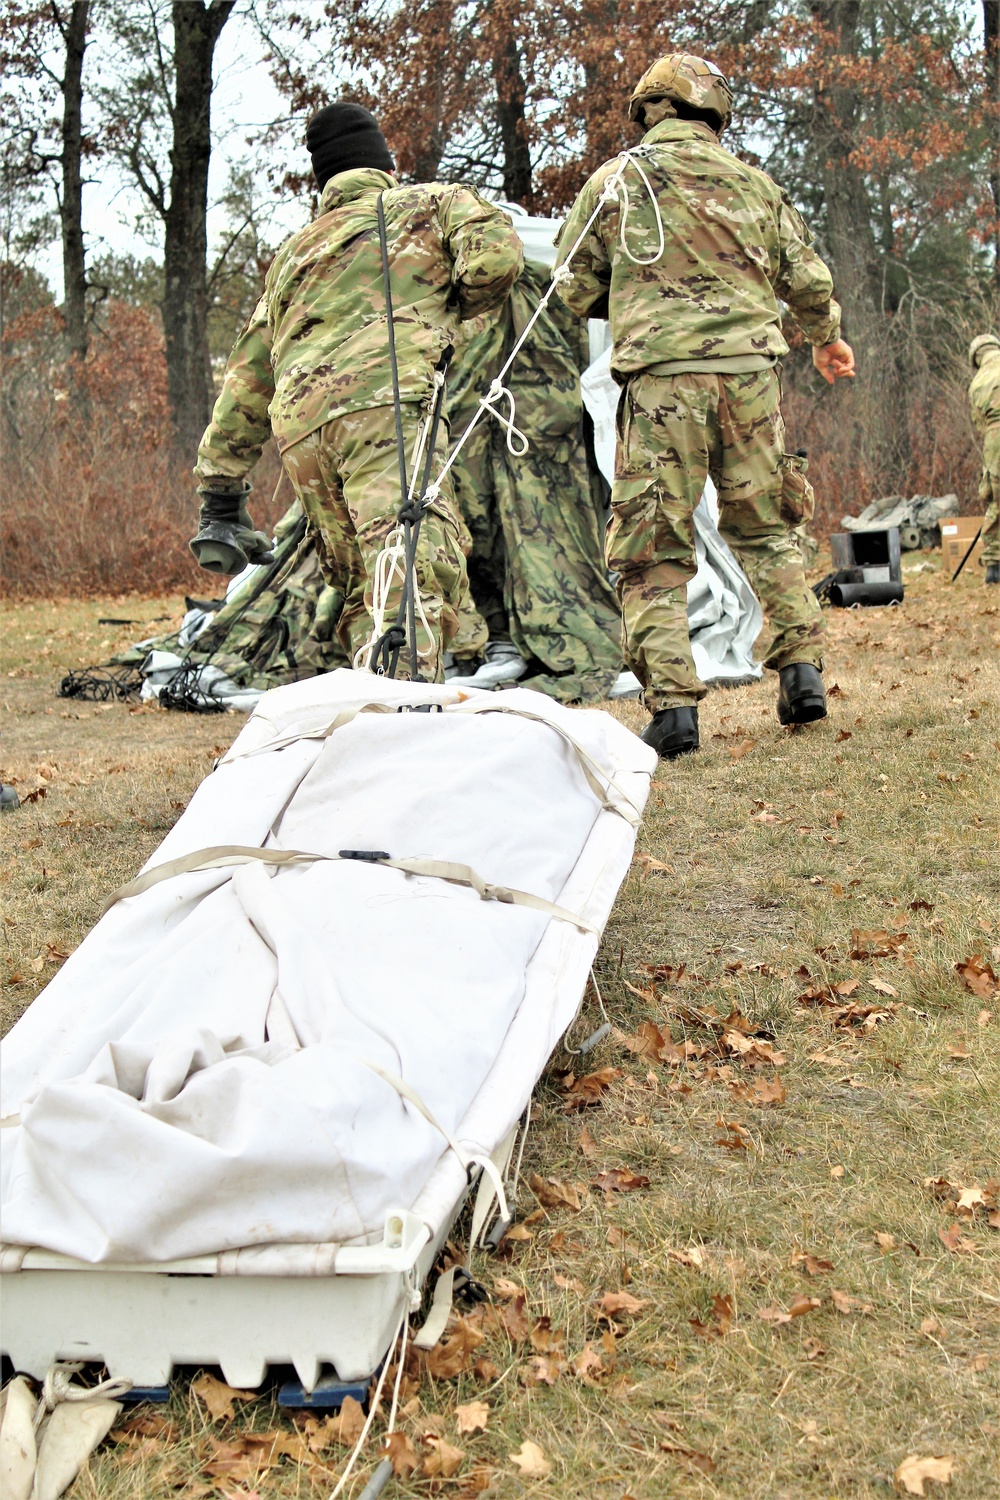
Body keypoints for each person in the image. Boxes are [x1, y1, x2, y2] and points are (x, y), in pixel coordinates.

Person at [553, 53, 855, 757]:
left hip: (662, 383)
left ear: (646, 108)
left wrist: (633, 294)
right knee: (767, 525)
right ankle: (802, 672)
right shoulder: (753, 184)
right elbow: (808, 278)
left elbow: (570, 286)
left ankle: (675, 713)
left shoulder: (618, 182)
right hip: (751, 376)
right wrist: (827, 339)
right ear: (714, 111)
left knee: (652, 547)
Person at [192, 102, 523, 680]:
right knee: (408, 569)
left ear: (323, 179)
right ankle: (404, 729)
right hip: (384, 413)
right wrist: (447, 319)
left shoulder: (294, 254)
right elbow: (496, 260)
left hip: (302, 432)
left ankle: (375, 708)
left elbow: (249, 375)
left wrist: (221, 491)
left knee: (358, 586)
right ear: (385, 163)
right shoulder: (430, 204)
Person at [968, 334, 1000, 585]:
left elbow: (979, 424)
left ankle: (993, 568)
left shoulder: (977, 382)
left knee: (994, 498)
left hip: (995, 438)